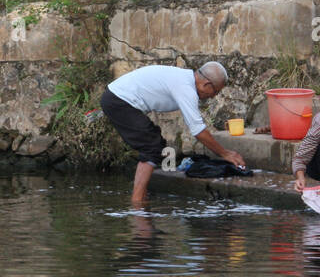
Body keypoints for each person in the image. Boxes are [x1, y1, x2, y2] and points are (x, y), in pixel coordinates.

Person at [101, 61, 244, 205]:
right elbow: (198, 131)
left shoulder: (184, 80)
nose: (213, 96)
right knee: (152, 146)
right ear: (206, 84)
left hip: (117, 98)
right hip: (119, 100)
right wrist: (225, 153)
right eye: (216, 92)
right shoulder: (186, 88)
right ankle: (137, 203)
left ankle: (141, 197)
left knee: (154, 143)